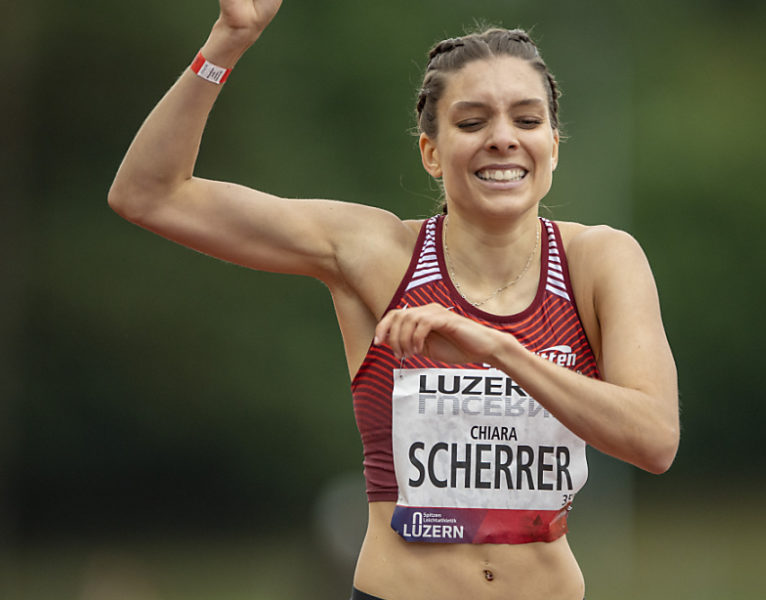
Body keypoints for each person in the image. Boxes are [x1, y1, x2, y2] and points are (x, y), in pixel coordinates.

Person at [108, 1, 679, 598]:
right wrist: (226, 42)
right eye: (472, 122)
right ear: (432, 152)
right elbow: (148, 194)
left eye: (527, 120)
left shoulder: (599, 261)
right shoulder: (376, 253)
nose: (503, 139)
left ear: (553, 147)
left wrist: (498, 351)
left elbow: (655, 438)